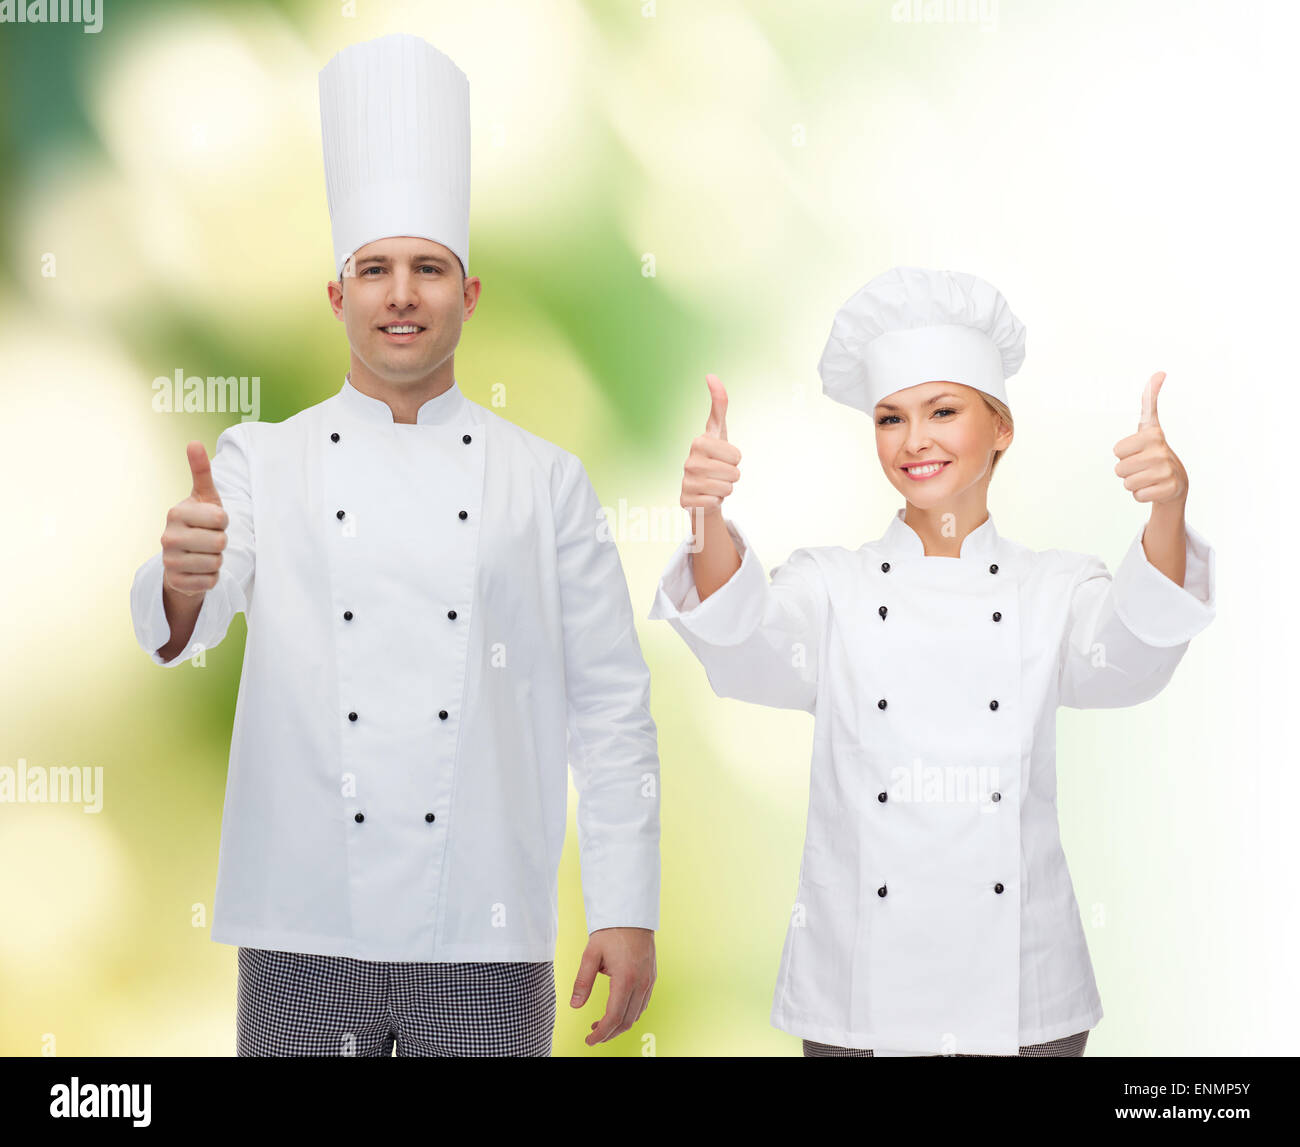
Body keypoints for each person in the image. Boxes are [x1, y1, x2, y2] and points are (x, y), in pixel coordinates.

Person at [129, 33, 659, 1057]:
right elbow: (190, 616)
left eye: (428, 268)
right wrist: (183, 580)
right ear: (338, 296)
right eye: (374, 269)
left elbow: (610, 702)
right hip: (299, 927)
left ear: (470, 293)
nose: (402, 293)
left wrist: (624, 903)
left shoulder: (545, 479)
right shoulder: (259, 462)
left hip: (488, 929)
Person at [648, 266, 1215, 1057]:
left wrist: (1167, 507)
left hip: (1025, 999)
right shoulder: (832, 584)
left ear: (1001, 427)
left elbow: (1132, 656)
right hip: (860, 998)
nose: (914, 440)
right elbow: (743, 646)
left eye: (942, 410)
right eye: (890, 418)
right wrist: (707, 514)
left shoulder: (1053, 585)